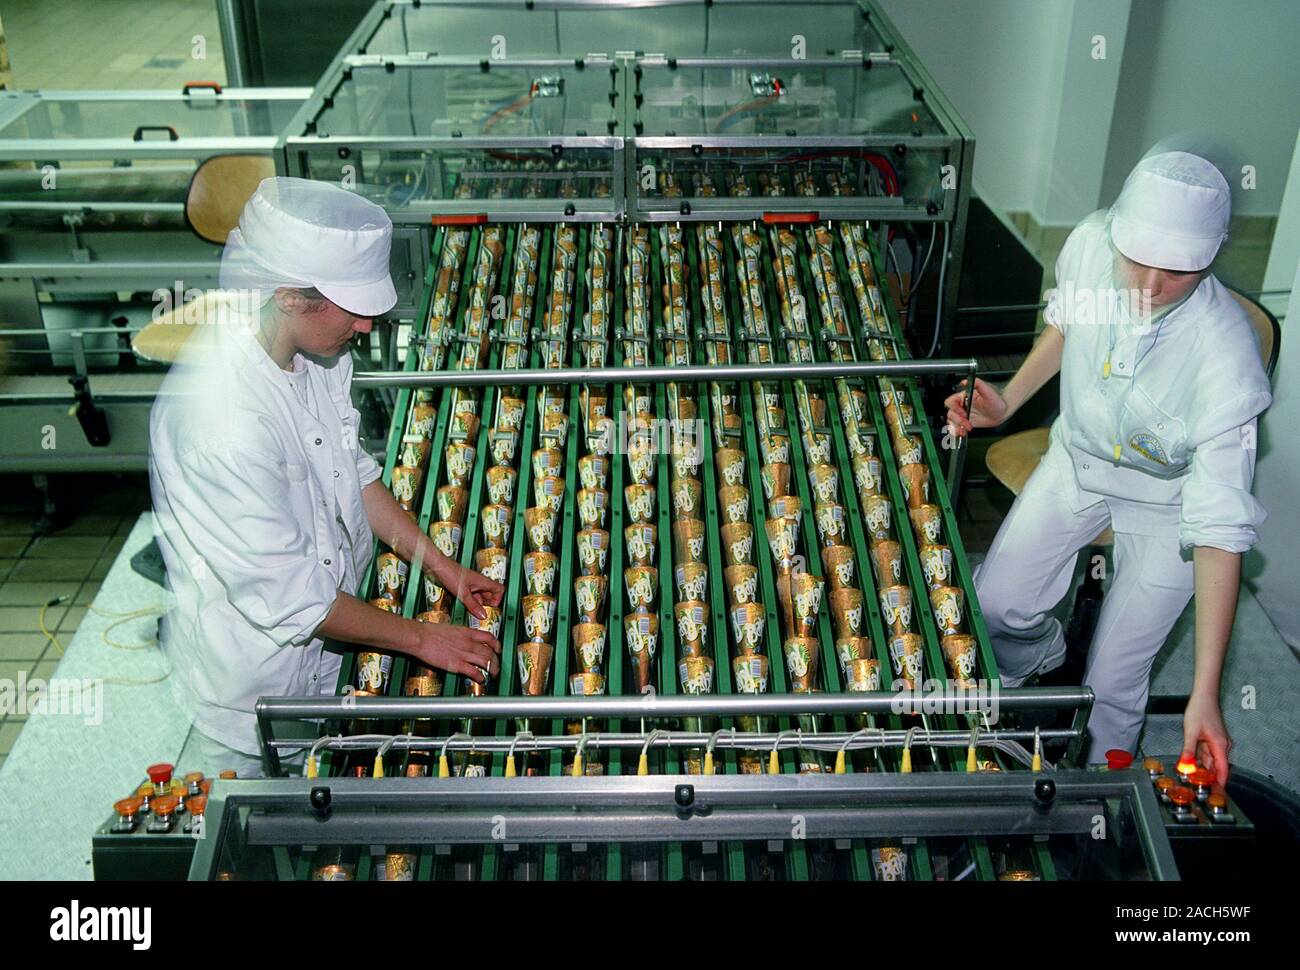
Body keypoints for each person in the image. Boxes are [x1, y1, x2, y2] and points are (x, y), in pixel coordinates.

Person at [150, 177, 503, 777]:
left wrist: (442, 566)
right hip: (249, 694)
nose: (366, 328)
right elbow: (295, 600)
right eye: (355, 308)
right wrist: (424, 639)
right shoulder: (220, 421)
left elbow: (358, 479)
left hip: (324, 658)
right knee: (264, 822)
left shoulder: (317, 356)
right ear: (290, 295)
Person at [945, 151, 1271, 785]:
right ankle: (1040, 661)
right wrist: (1009, 399)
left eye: (1175, 272)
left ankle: (1098, 808)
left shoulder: (1227, 365)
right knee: (992, 608)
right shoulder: (1094, 244)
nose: (1148, 286)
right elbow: (1070, 325)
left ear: (1209, 262)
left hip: (1167, 506)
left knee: (1113, 689)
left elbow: (1218, 535)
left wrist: (1207, 692)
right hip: (1079, 459)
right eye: (1136, 260)